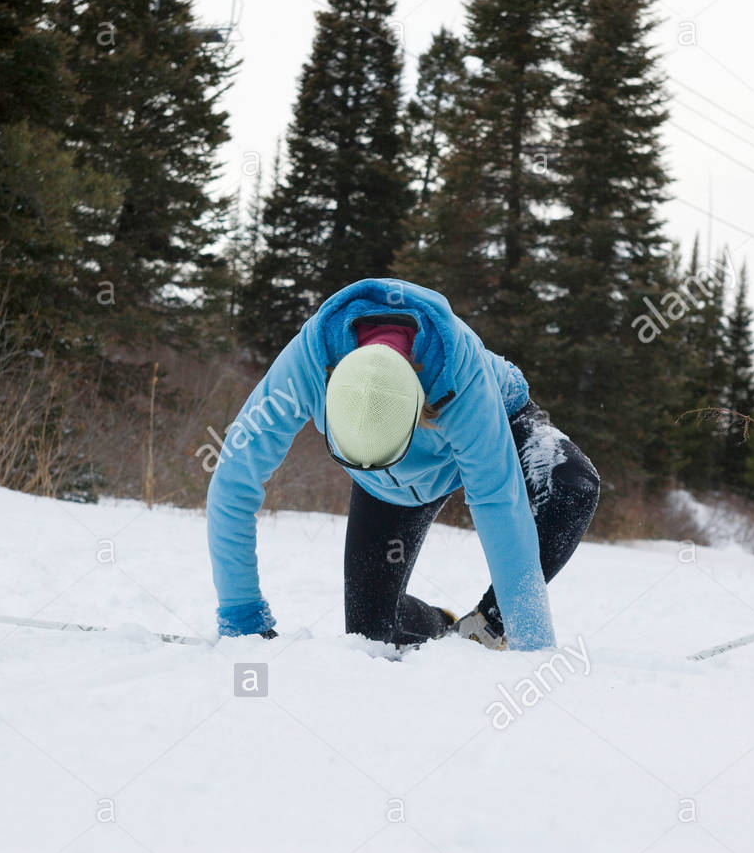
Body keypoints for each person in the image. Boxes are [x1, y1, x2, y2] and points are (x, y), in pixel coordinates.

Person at [206, 278, 600, 652]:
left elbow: (500, 505)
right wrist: (242, 616)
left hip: (499, 421)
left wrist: (532, 646)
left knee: (572, 486)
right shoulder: (306, 363)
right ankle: (443, 625)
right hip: (389, 489)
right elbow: (234, 480)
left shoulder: (460, 375)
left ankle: (487, 626)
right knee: (372, 640)